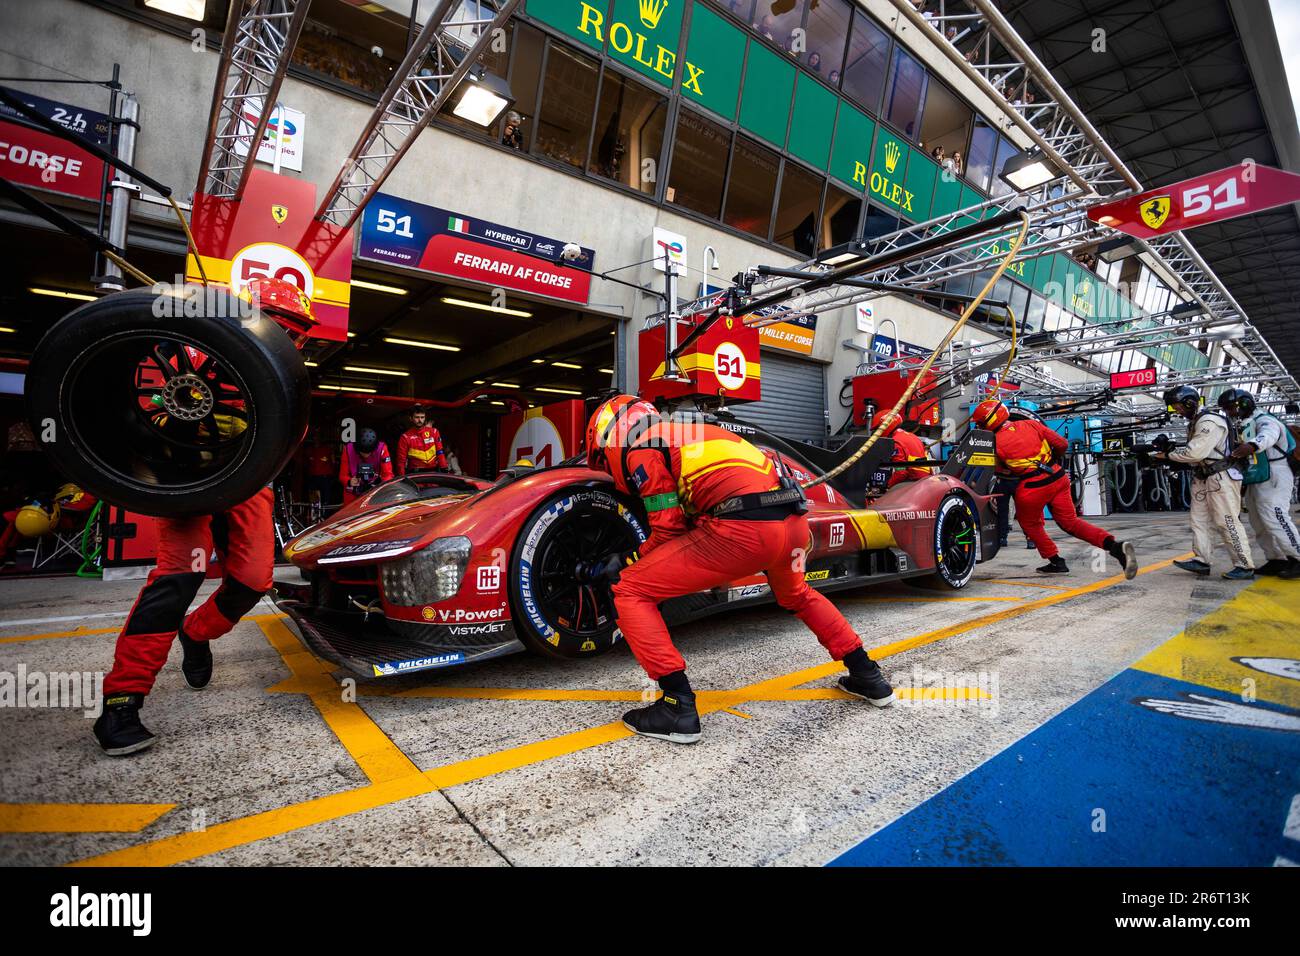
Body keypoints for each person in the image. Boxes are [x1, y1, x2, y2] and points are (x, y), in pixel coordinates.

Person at [584, 395, 894, 743]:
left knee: (630, 589)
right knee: (799, 595)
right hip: (793, 525)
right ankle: (868, 675)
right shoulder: (705, 433)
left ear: (609, 434)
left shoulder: (643, 445)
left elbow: (668, 528)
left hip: (745, 529)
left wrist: (626, 560)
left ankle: (677, 707)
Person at [93, 487, 275, 755]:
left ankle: (194, 632)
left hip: (251, 481)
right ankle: (121, 701)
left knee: (251, 583)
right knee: (182, 575)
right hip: (187, 479)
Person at [973, 400, 1136, 577]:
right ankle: (1115, 546)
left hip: (1031, 488)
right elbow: (1062, 444)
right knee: (1071, 523)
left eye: (980, 423)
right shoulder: (1031, 424)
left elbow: (999, 470)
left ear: (990, 421)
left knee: (1030, 525)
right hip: (1058, 477)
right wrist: (1051, 461)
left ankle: (1056, 561)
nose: (980, 426)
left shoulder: (994, 443)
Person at [1153, 385, 1254, 579]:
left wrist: (1166, 455)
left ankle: (1244, 565)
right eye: (1174, 407)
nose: (1177, 411)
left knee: (1227, 521)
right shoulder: (1196, 421)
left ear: (1190, 402)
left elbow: (1195, 452)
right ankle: (1202, 560)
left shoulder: (1209, 421)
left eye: (1178, 406)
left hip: (1221, 476)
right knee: (1199, 520)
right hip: (1204, 476)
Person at [1217, 388, 1299, 579]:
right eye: (1226, 409)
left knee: (1275, 515)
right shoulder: (1245, 425)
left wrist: (1252, 445)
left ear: (1244, 403)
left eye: (1231, 407)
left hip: (1275, 472)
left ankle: (1297, 557)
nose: (1229, 413)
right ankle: (1276, 559)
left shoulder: (1265, 420)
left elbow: (1269, 435)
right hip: (1257, 474)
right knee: (1258, 520)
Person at [874, 410, 932, 487]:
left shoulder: (896, 442)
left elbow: (901, 472)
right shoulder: (913, 437)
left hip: (912, 483)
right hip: (925, 482)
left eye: (878, 429)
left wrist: (888, 486)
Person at [340, 427, 393, 503]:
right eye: (363, 452)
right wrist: (349, 481)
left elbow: (388, 474)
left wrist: (382, 487)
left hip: (375, 490)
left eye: (369, 452)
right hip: (353, 491)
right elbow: (342, 475)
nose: (366, 456)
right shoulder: (348, 449)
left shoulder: (382, 449)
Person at [395, 405, 447, 476]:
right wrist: (402, 477)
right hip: (416, 475)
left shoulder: (434, 432)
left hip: (433, 474)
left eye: (422, 417)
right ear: (411, 418)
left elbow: (440, 452)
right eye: (417, 417)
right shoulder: (405, 437)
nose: (420, 420)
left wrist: (444, 468)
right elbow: (401, 460)